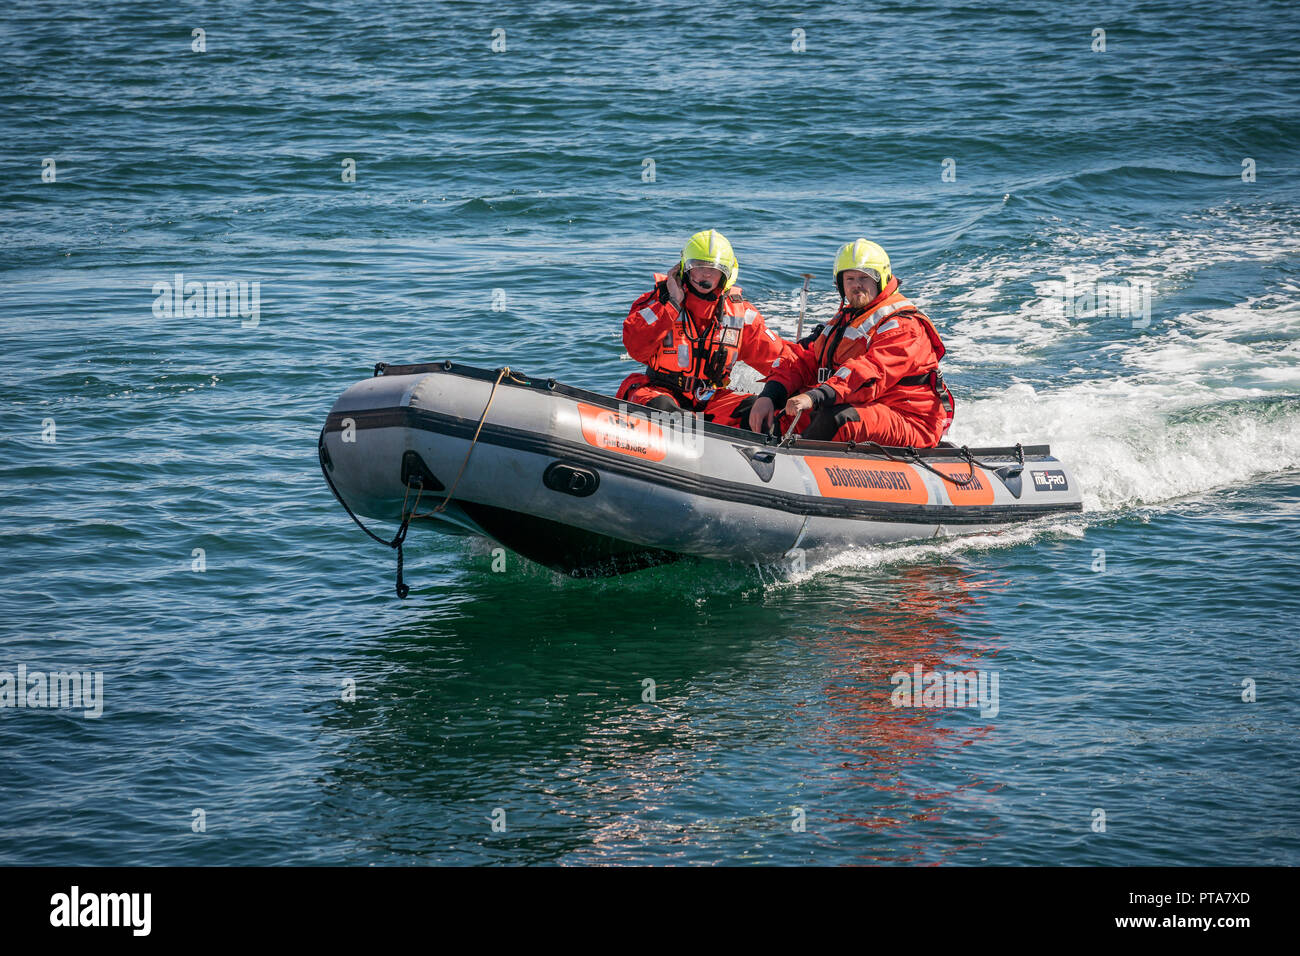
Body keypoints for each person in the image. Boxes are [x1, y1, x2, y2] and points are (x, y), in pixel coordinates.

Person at [747, 239, 954, 447]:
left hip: (910, 418)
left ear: (880, 280)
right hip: (866, 406)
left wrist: (815, 396)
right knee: (763, 410)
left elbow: (869, 372)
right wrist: (771, 395)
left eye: (864, 277)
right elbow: (802, 359)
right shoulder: (845, 321)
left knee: (838, 419)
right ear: (840, 284)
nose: (857, 285)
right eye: (850, 278)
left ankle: (793, 465)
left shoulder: (904, 326)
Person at [618, 230, 792, 427]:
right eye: (698, 267)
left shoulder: (741, 315)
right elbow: (635, 346)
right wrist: (672, 305)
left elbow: (780, 360)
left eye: (714, 268)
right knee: (664, 409)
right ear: (685, 269)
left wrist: (812, 388)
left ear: (726, 274)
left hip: (711, 400)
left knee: (760, 411)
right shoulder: (658, 301)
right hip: (658, 392)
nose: (706, 273)